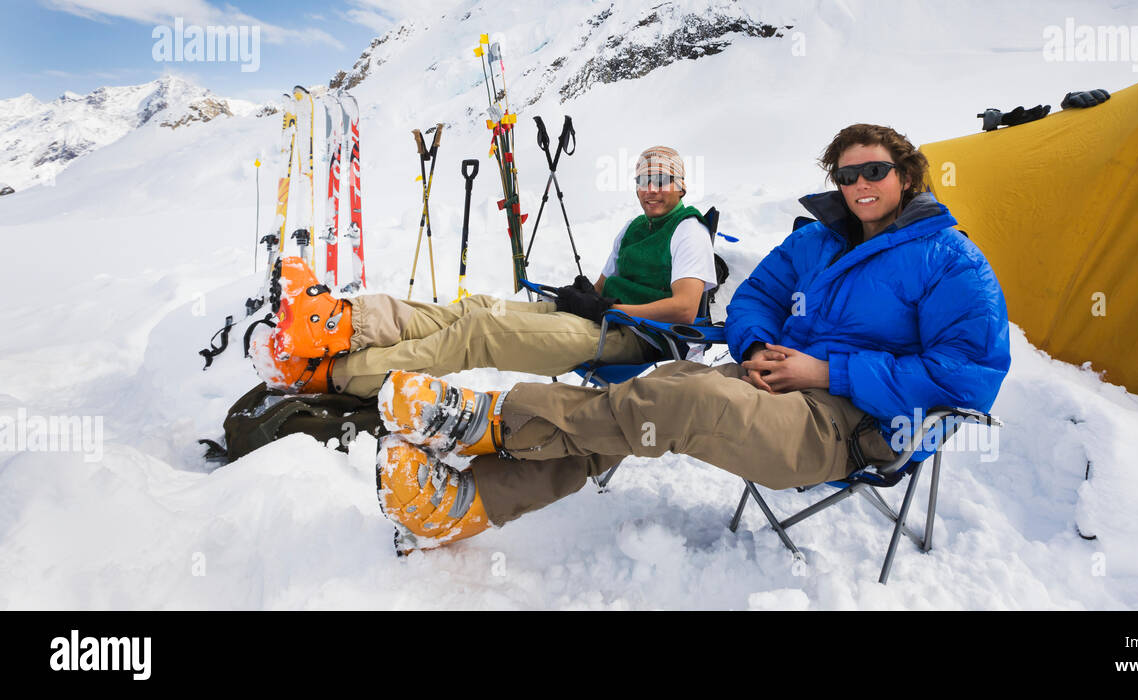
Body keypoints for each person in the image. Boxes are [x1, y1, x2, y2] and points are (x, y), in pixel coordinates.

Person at [373, 123, 1013, 551]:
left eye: (874, 170)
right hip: (767, 381)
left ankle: (488, 421)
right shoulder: (815, 240)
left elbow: (969, 375)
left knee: (685, 402)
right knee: (650, 401)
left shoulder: (950, 260)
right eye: (847, 176)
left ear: (906, 173)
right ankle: (464, 506)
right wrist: (759, 346)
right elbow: (755, 298)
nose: (860, 186)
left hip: (850, 426)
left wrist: (829, 374)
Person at [248, 146, 717, 399]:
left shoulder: (687, 230)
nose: (651, 190)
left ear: (680, 184)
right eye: (643, 180)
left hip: (635, 338)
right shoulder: (634, 228)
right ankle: (340, 321)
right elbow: (599, 289)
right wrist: (585, 297)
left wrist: (609, 307)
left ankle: (337, 373)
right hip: (601, 319)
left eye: (661, 180)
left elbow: (684, 306)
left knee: (481, 332)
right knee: (475, 307)